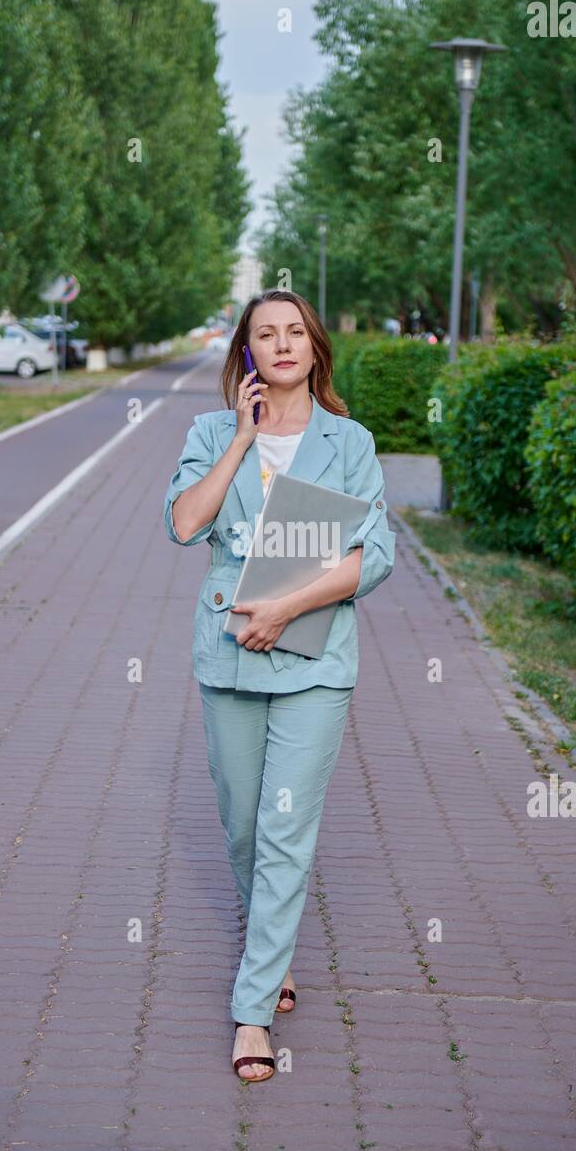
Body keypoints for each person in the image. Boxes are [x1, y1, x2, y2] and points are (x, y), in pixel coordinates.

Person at [162, 288, 396, 1081]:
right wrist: (239, 438)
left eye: (296, 331)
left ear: (314, 347)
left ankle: (253, 1012)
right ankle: (275, 952)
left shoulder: (350, 441)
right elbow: (185, 523)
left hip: (313, 660)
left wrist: (288, 606)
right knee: (241, 827)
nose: (283, 343)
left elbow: (376, 555)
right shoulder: (207, 432)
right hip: (227, 657)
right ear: (248, 352)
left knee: (285, 832)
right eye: (266, 333)